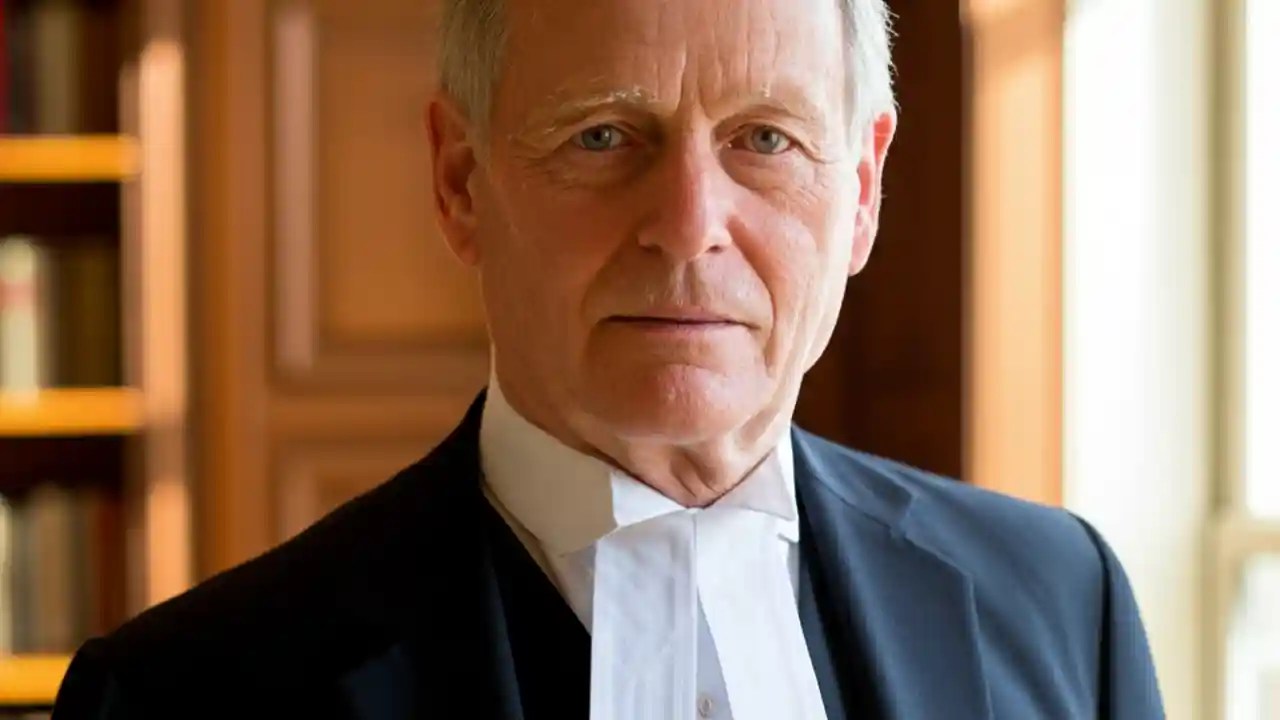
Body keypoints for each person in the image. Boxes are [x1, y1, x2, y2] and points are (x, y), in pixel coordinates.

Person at [52, 0, 1164, 717]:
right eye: (601, 136)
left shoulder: (1064, 603)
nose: (687, 224)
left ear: (861, 191)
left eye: (763, 140)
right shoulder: (178, 699)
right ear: (459, 184)